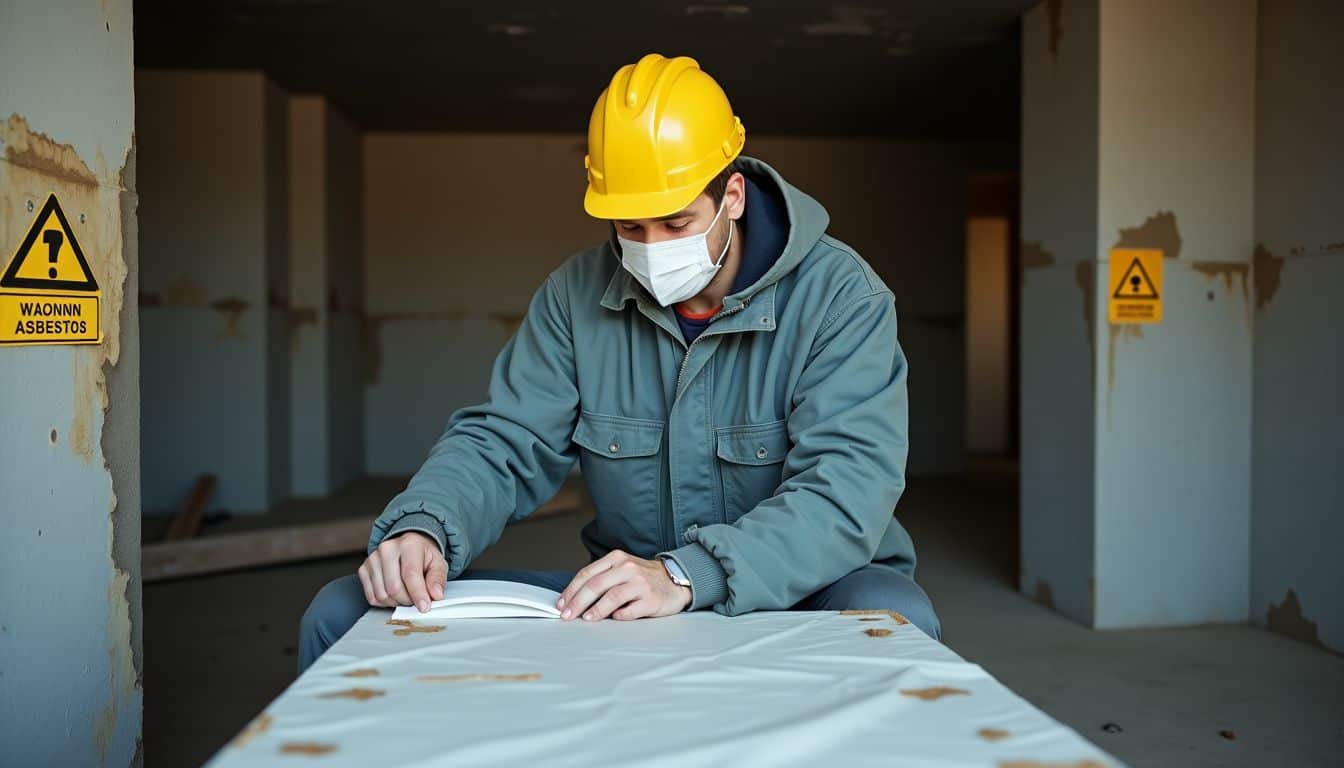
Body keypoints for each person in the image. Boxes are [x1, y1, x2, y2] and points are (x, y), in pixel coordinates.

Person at [299, 53, 939, 673]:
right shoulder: (573, 296)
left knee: (894, 614)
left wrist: (689, 574)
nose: (652, 249)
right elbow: (505, 440)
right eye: (630, 229)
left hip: (804, 583)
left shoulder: (841, 298)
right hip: (627, 593)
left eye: (676, 222)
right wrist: (426, 527)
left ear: (733, 196)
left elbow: (847, 486)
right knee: (345, 612)